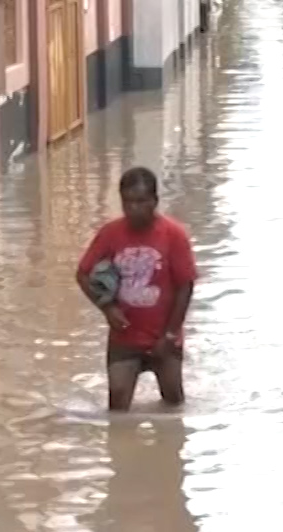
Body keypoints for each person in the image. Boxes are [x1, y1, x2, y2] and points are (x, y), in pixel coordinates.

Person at [76, 167, 197, 412]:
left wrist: (171, 335)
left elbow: (186, 286)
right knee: (118, 407)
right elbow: (82, 274)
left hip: (163, 337)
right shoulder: (110, 234)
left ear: (154, 201)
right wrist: (107, 308)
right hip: (125, 338)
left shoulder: (174, 235)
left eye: (141, 202)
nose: (134, 209)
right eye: (128, 202)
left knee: (174, 404)